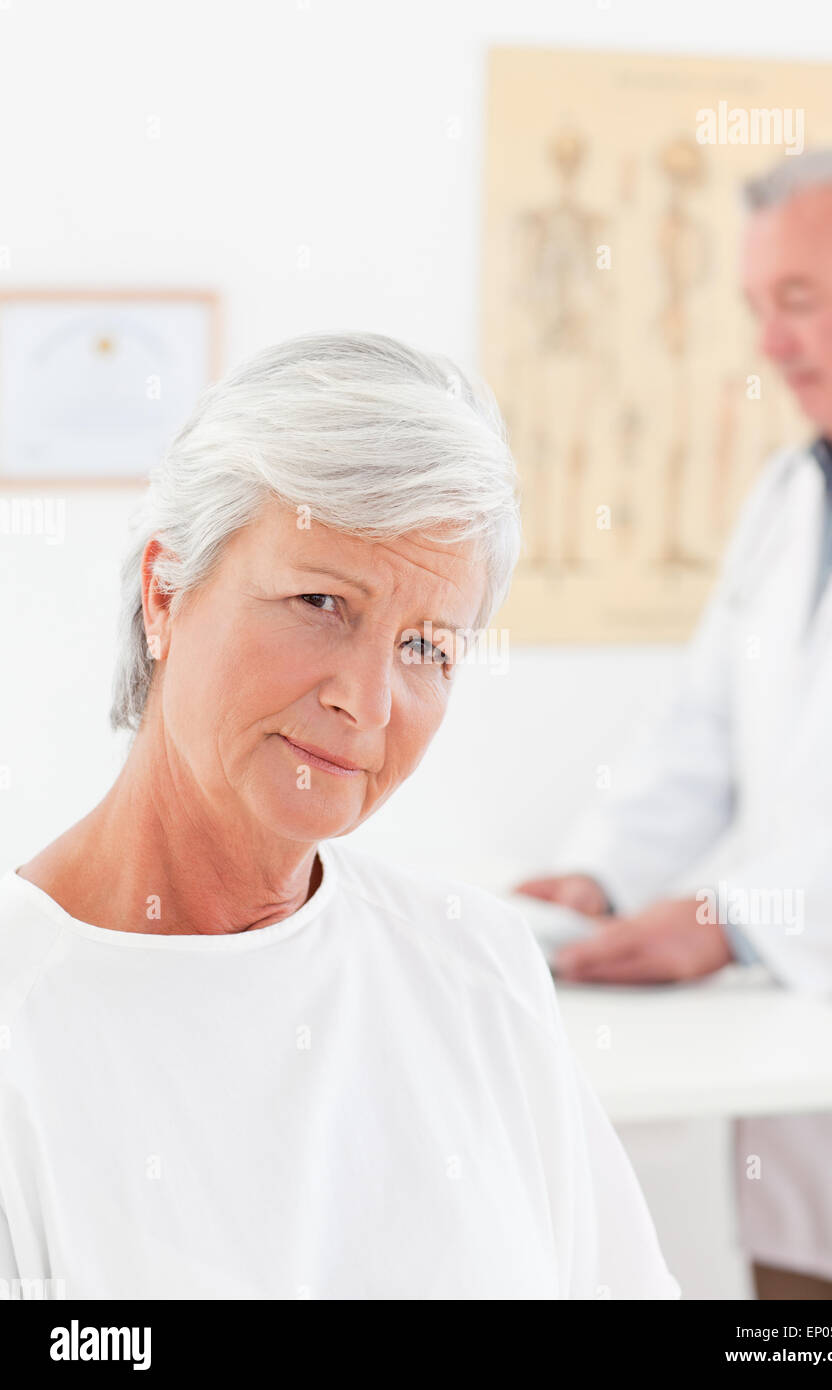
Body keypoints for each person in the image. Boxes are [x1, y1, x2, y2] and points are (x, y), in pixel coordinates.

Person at [0, 331, 679, 1301]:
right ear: (164, 590)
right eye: (321, 600)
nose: (366, 699)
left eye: (425, 646)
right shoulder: (23, 1028)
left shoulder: (478, 966)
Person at [517, 149, 832, 1301]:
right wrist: (600, 869)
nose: (771, 342)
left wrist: (737, 918)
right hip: (805, 1095)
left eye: (798, 300)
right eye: (753, 308)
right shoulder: (791, 497)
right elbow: (701, 724)